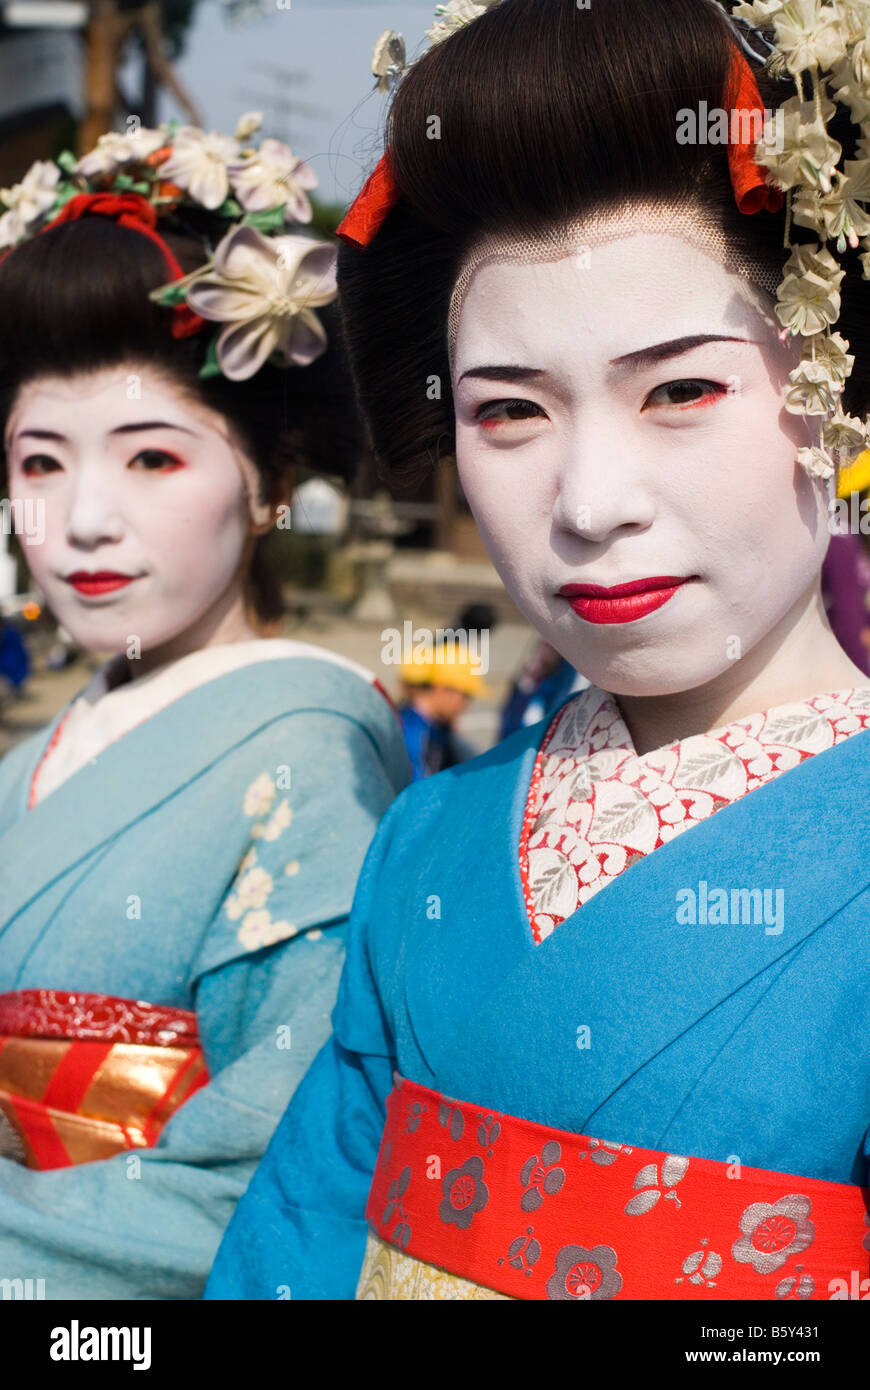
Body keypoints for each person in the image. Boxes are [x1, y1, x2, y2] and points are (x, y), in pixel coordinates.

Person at [207, 0, 870, 1301]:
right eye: (507, 410)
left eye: (680, 389)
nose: (586, 500)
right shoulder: (428, 839)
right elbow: (295, 1240)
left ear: (837, 390)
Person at [0, 114, 409, 1298]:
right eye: (38, 462)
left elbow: (266, 1173)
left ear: (272, 479)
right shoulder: (38, 751)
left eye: (152, 459)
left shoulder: (311, 756)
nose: (81, 521)